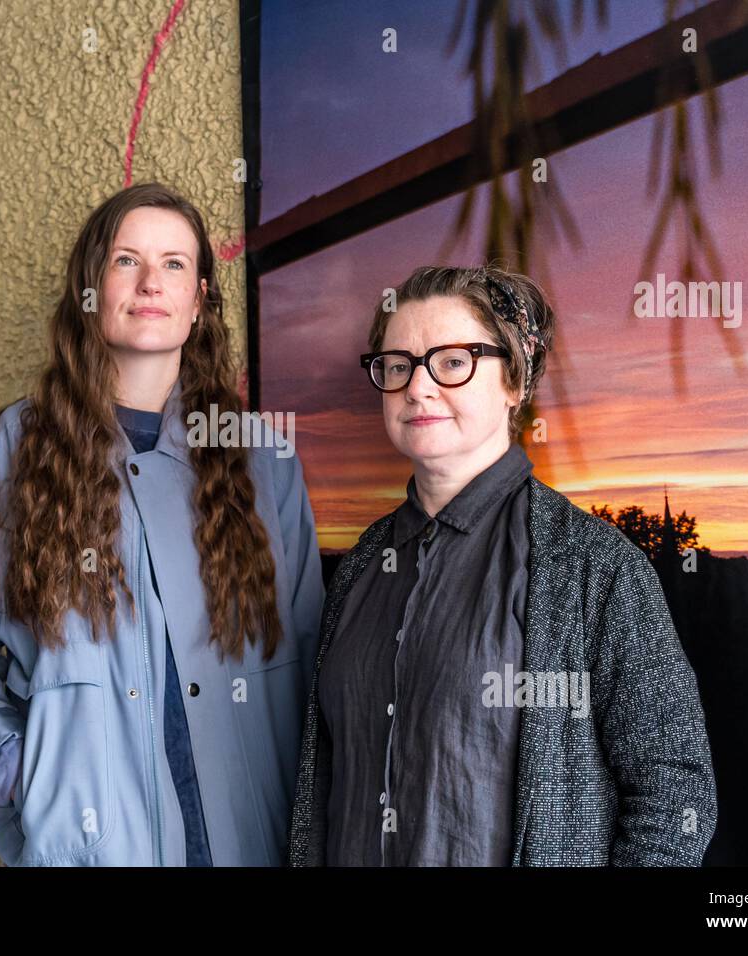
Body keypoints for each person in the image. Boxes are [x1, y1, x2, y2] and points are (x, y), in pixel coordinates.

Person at [0, 182, 323, 866]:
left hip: (253, 837)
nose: (151, 282)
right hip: (94, 846)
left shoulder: (262, 458)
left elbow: (308, 647)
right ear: (90, 285)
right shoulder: (17, 451)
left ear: (202, 297)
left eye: (175, 264)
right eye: (126, 260)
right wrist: (17, 767)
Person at [287, 264, 716, 866]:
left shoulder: (594, 567)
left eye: (453, 362)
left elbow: (676, 795)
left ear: (514, 380)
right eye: (398, 365)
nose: (419, 387)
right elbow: (320, 786)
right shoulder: (360, 567)